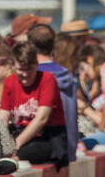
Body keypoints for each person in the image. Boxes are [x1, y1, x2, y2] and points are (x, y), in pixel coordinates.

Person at [0, 41, 68, 166]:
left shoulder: (47, 79)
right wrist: (0, 141)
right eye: (21, 70)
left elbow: (42, 119)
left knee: (33, 150)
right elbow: (3, 116)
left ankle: (11, 162)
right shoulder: (10, 81)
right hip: (22, 131)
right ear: (13, 67)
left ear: (36, 65)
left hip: (48, 134)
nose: (25, 75)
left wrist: (16, 144)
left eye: (29, 70)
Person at [26, 23, 79, 160]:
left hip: (47, 151)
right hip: (68, 149)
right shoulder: (68, 75)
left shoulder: (35, 78)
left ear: (30, 45)